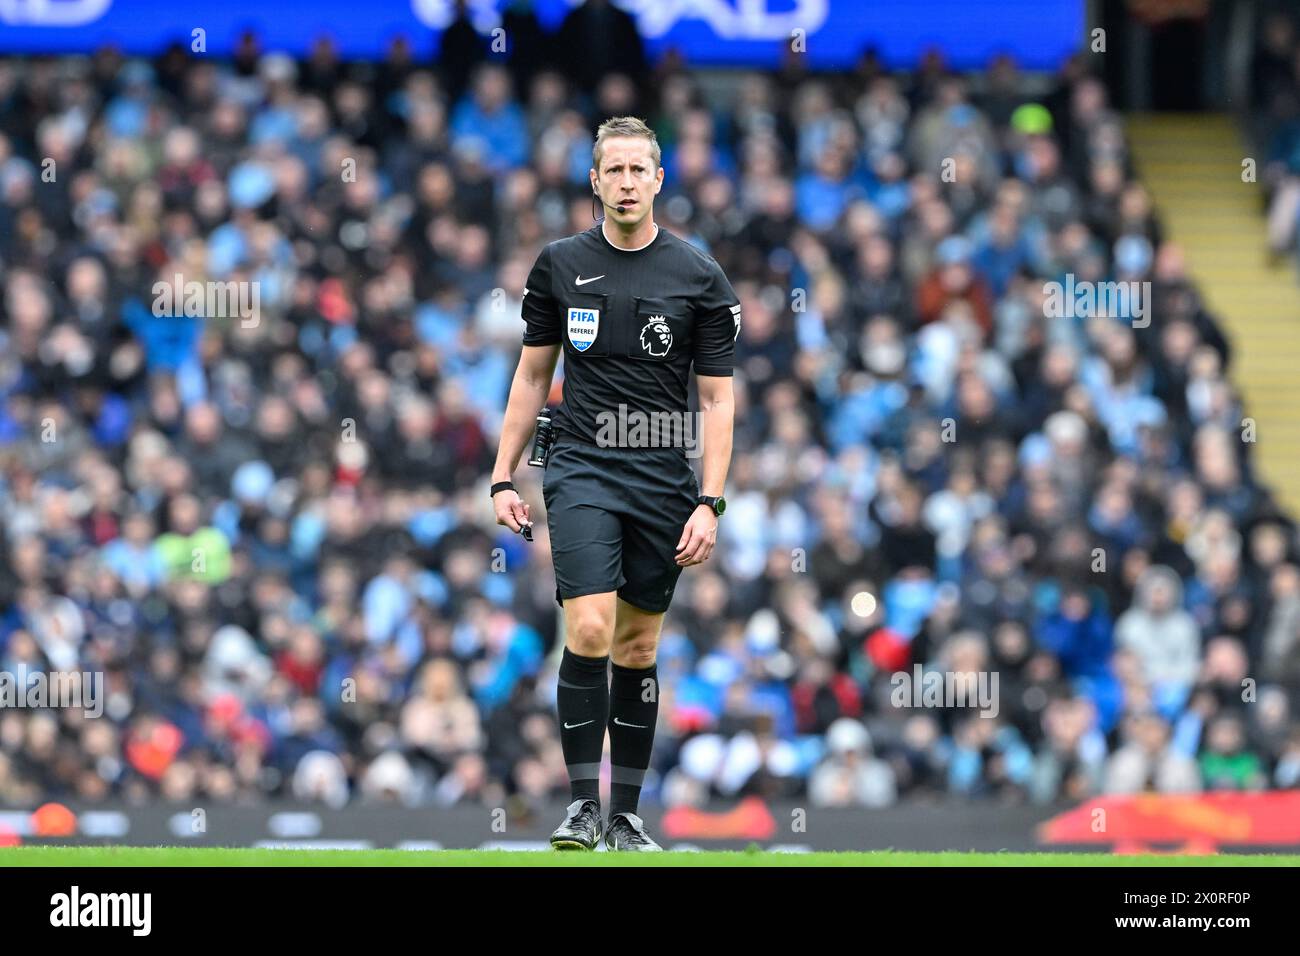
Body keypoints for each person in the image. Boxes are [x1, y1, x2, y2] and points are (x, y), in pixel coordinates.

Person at [490, 116, 739, 850]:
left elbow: (718, 401)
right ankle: (579, 805)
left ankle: (626, 816)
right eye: (614, 171)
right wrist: (502, 475)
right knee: (590, 625)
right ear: (594, 181)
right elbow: (534, 373)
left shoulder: (699, 276)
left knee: (637, 647)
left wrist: (711, 500)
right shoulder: (559, 265)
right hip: (581, 466)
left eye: (639, 170)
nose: (627, 183)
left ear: (659, 180)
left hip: (664, 476)